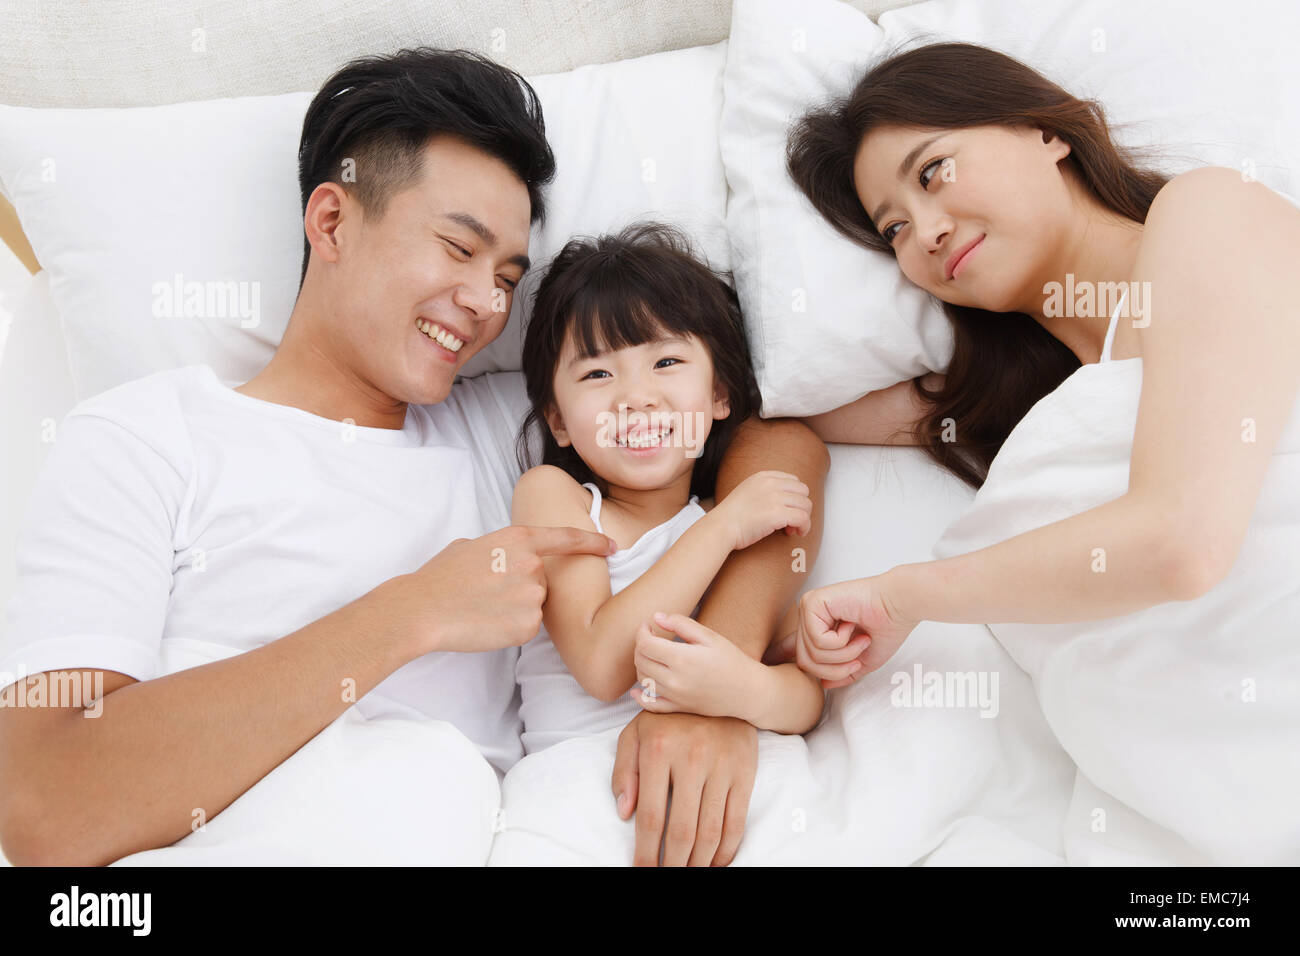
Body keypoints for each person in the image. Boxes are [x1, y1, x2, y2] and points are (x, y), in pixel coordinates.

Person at [0, 47, 829, 867]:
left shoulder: (508, 430)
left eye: (508, 276)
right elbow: (42, 803)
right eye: (458, 250)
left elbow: (780, 435)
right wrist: (410, 615)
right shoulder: (143, 436)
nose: (486, 305)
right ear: (332, 222)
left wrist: (703, 690)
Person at [781, 41, 1300, 688]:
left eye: (933, 171)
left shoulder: (1213, 210)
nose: (926, 232)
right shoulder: (1027, 406)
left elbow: (1184, 544)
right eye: (894, 231)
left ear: (1044, 132)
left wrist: (901, 598)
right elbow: (770, 406)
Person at [511, 223, 825, 765]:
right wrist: (722, 527)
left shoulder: (740, 523)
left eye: (666, 362)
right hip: (579, 778)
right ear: (558, 422)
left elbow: (807, 700)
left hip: (716, 780)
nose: (637, 397)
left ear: (719, 394)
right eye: (598, 373)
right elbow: (602, 665)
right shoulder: (558, 499)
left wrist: (744, 688)